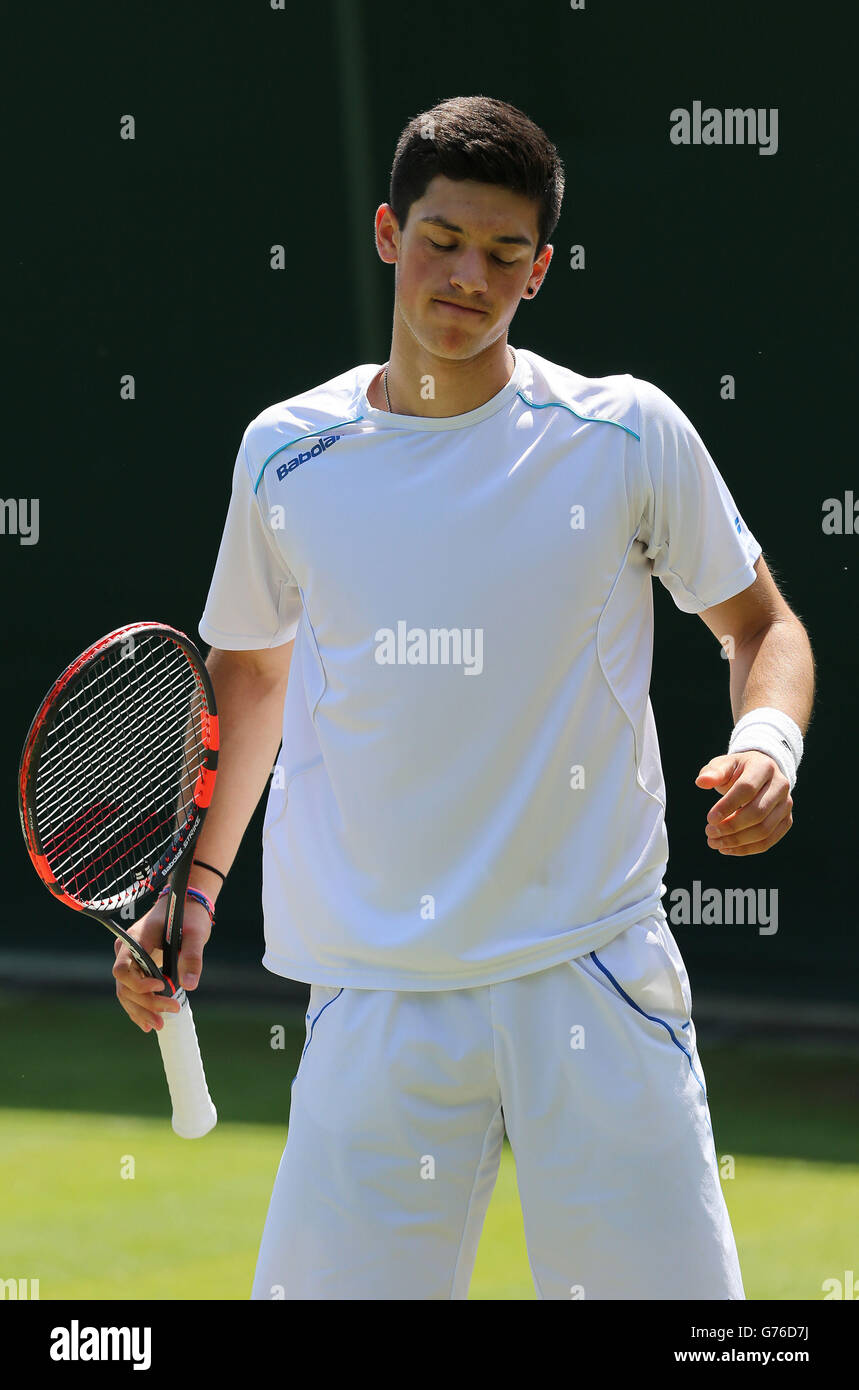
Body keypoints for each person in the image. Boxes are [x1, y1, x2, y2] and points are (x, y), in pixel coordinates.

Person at [113, 95, 815, 1300]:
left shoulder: (625, 432)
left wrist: (767, 745)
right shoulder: (282, 453)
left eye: (502, 254)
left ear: (539, 271)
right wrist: (195, 883)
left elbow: (764, 628)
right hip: (374, 991)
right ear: (390, 233)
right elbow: (253, 675)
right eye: (442, 240)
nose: (467, 276)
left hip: (592, 971)